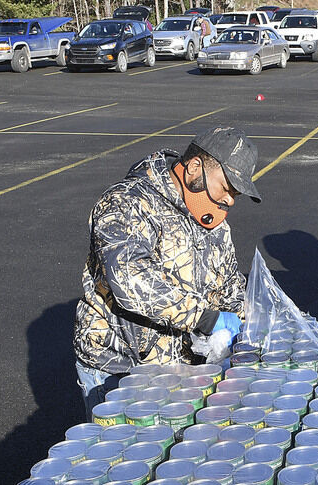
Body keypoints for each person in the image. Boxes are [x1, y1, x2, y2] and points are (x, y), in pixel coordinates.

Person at [73, 127, 261, 418]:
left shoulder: (213, 220)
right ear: (195, 167)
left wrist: (253, 324)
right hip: (120, 368)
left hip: (181, 369)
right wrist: (205, 318)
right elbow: (130, 277)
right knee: (123, 446)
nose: (230, 200)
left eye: (235, 193)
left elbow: (229, 286)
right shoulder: (127, 202)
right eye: (227, 187)